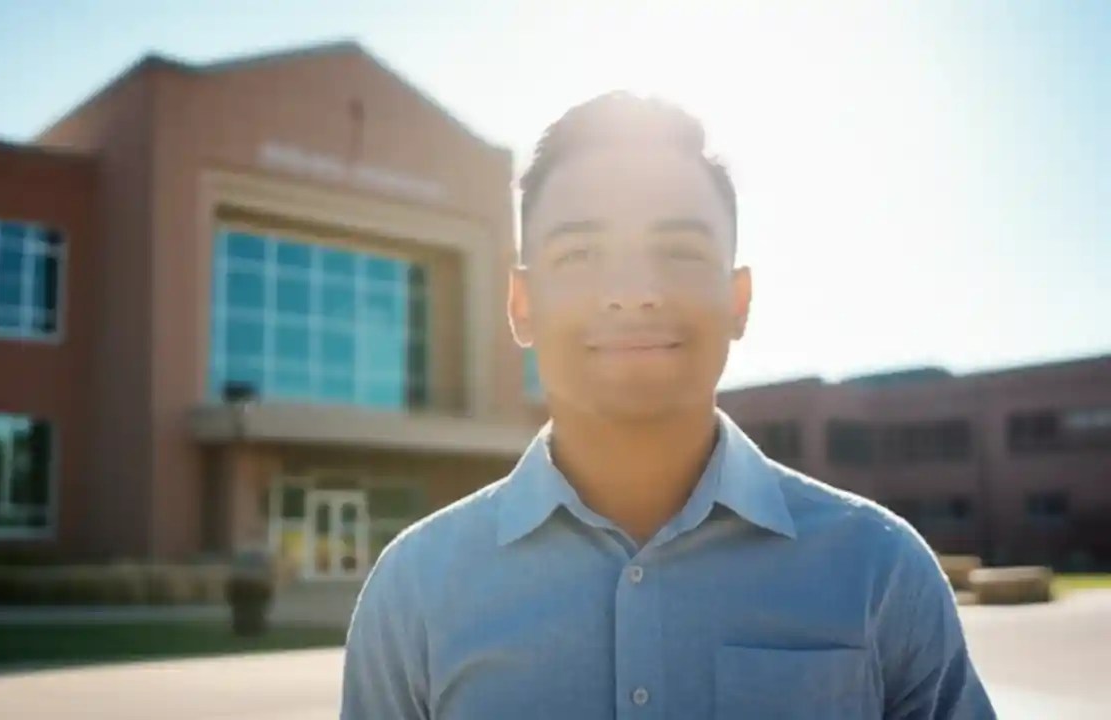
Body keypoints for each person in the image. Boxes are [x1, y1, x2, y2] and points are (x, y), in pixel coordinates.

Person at [340, 91, 996, 719]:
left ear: (739, 302)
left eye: (679, 250)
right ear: (522, 304)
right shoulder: (415, 592)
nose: (631, 292)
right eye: (579, 254)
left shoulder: (878, 569)